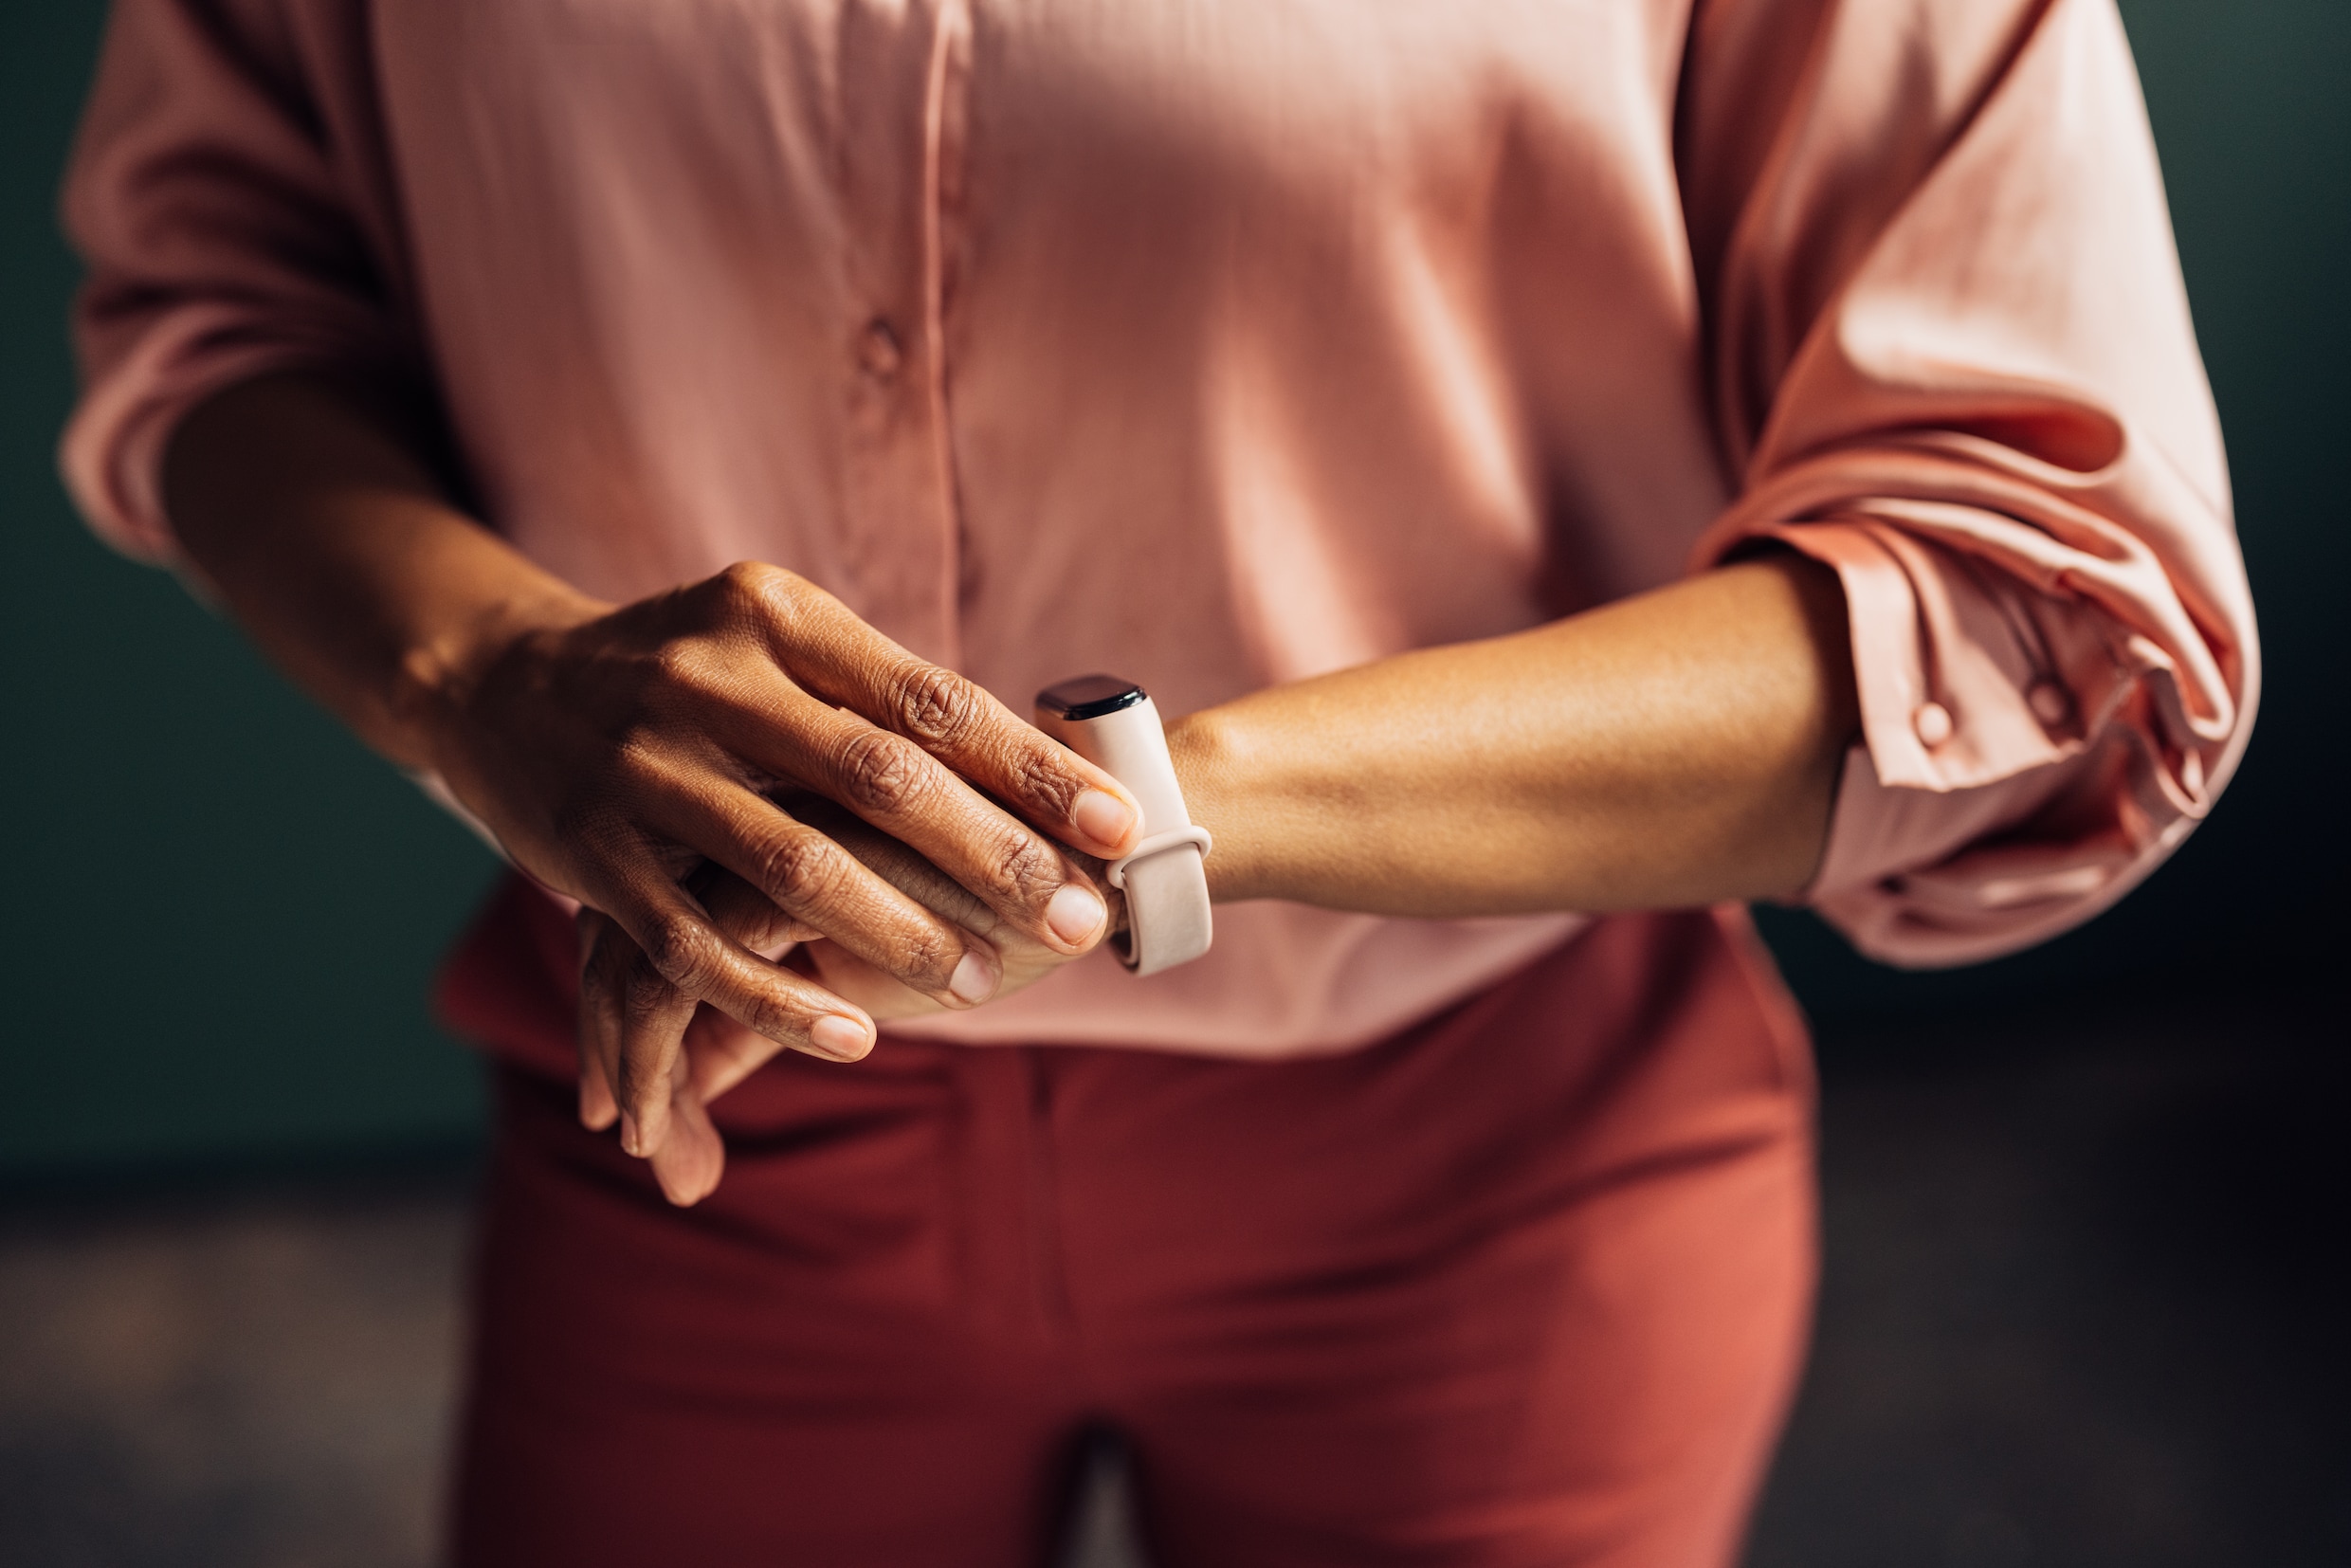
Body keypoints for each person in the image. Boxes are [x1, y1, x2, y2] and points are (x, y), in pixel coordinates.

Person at [59, 0, 2254, 1562]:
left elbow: (2026, 591)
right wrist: (495, 674)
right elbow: (226, 306)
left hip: (1492, 1165)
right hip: (690, 1154)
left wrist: (1156, 805)